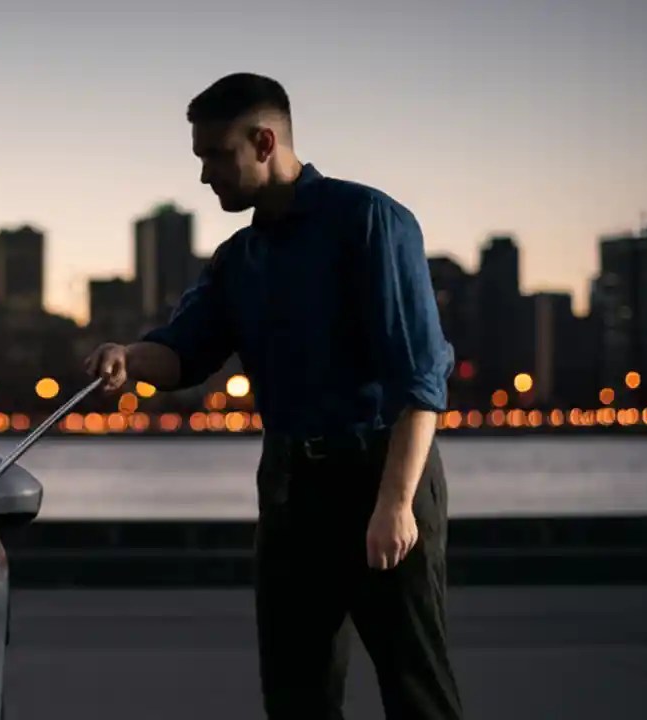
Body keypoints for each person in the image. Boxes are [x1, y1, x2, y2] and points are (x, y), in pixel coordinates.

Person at [83, 72, 464, 719]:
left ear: (264, 140)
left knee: (415, 690)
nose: (205, 176)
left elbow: (421, 381)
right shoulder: (240, 258)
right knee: (295, 694)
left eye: (215, 155)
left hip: (380, 471)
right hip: (290, 485)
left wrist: (395, 504)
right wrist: (128, 358)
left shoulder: (370, 221)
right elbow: (183, 352)